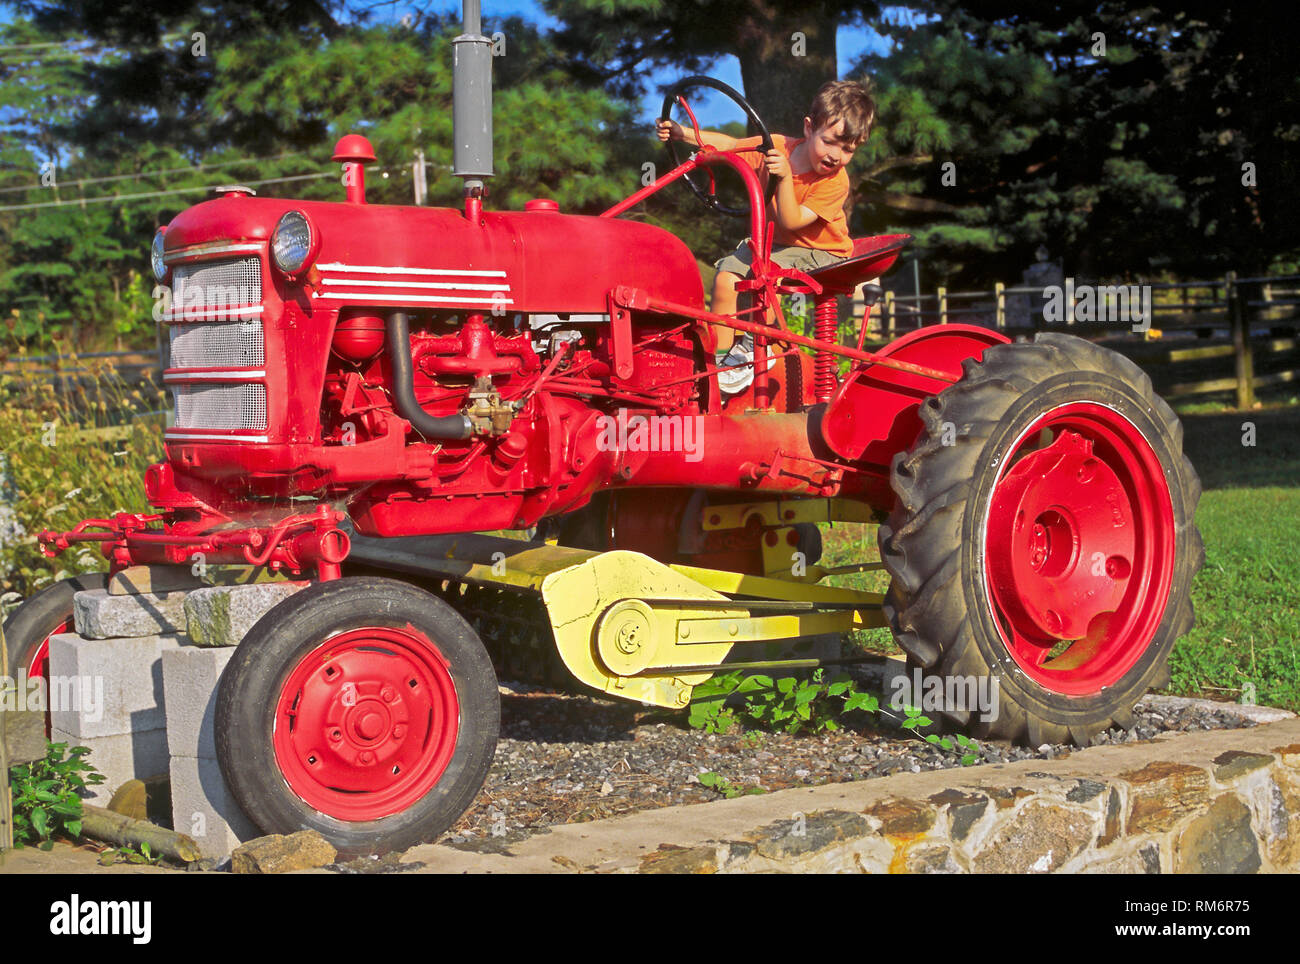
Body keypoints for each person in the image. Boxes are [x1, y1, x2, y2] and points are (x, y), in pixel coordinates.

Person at [656, 80, 875, 386]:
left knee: (766, 278)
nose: (836, 155)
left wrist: (784, 177)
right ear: (809, 128)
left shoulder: (835, 182)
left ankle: (756, 349)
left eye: (848, 149)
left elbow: (791, 219)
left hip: (821, 251)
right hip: (776, 244)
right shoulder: (777, 145)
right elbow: (730, 145)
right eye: (830, 141)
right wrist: (684, 134)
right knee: (726, 278)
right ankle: (717, 360)